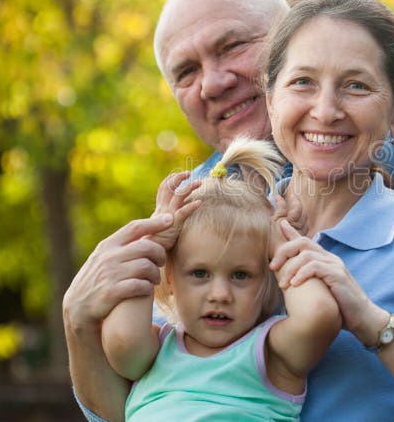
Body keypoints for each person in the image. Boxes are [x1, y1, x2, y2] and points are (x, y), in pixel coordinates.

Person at [63, 0, 394, 421]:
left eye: (356, 85)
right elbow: (152, 394)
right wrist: (78, 324)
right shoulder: (205, 210)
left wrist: (374, 325)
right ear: (273, 93)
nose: (325, 110)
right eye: (302, 82)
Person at [100, 137, 340, 421]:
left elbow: (320, 317)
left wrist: (283, 244)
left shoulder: (270, 353)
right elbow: (119, 340)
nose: (220, 294)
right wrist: (154, 244)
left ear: (267, 280)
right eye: (199, 274)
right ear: (170, 279)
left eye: (241, 275)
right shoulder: (154, 349)